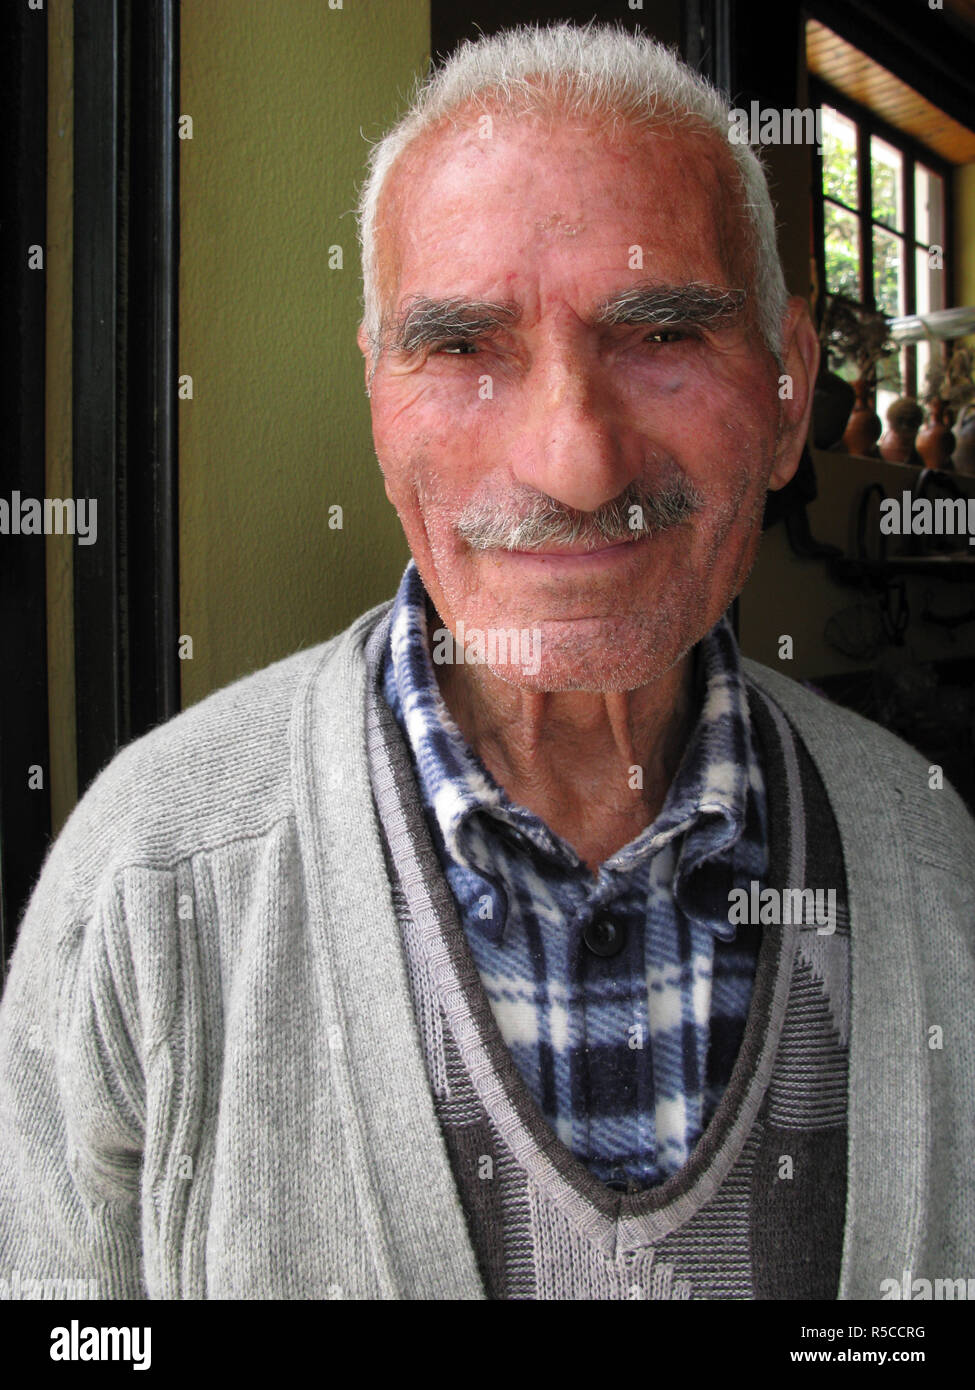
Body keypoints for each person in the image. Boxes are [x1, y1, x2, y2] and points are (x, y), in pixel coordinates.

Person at [2, 22, 973, 1303]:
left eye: (664, 333)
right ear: (377, 405)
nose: (575, 465)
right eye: (460, 349)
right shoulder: (150, 882)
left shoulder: (931, 860)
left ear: (791, 389)